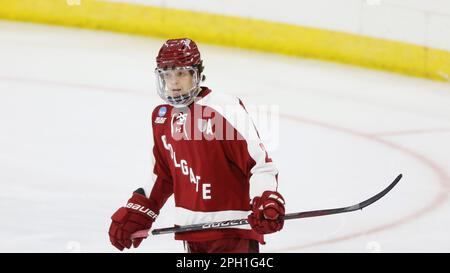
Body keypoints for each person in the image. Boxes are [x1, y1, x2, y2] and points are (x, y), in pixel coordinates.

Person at [108, 38, 285, 253]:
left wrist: (265, 199)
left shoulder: (222, 108)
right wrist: (139, 209)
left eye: (180, 73)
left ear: (197, 74)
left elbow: (260, 166)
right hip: (190, 234)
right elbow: (163, 175)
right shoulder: (162, 118)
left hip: (232, 234)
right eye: (167, 74)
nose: (173, 82)